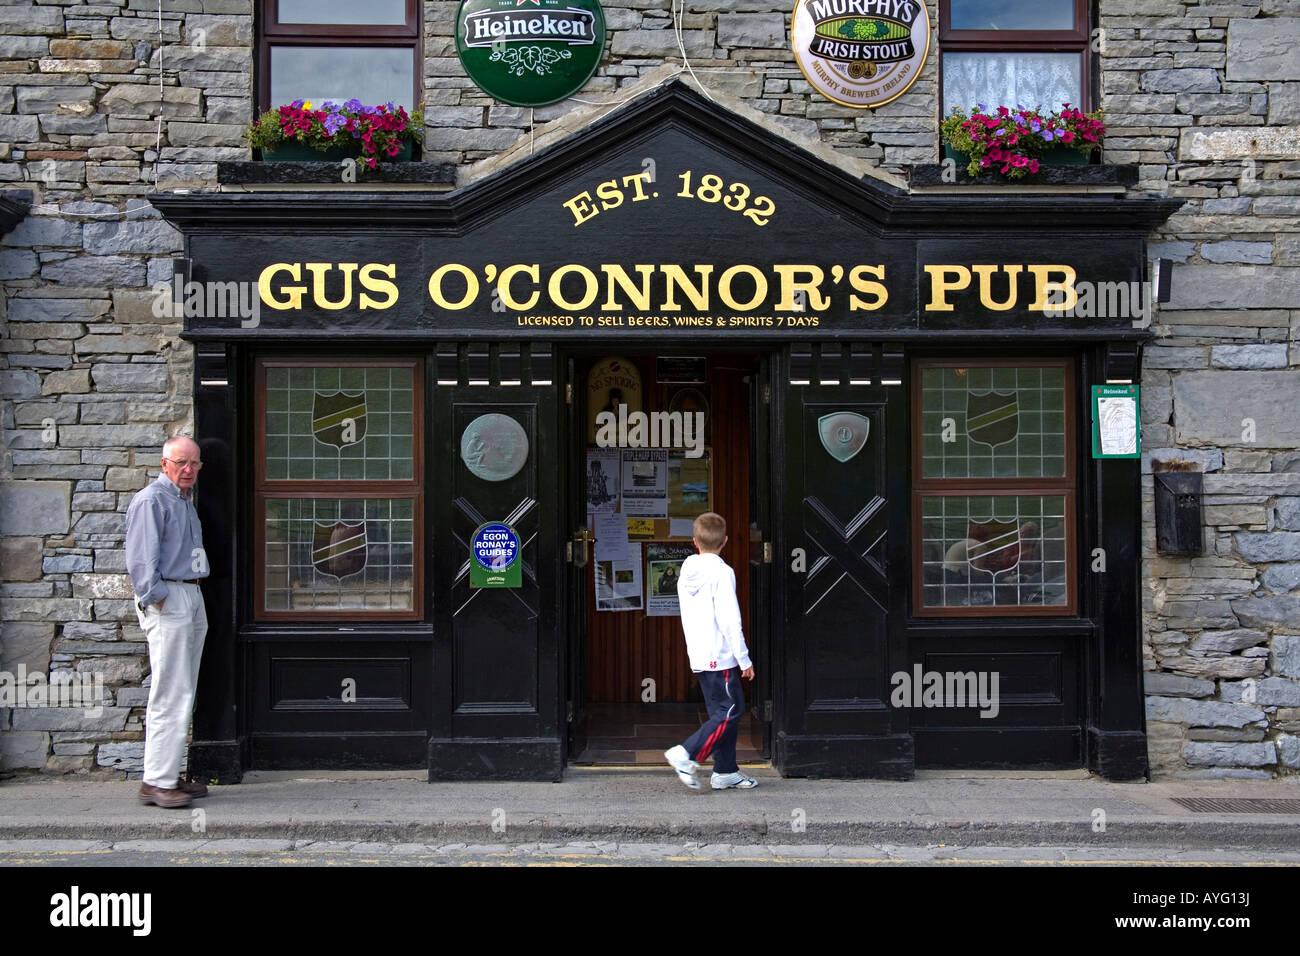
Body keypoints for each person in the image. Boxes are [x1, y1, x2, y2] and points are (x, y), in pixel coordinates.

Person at [125, 435, 210, 809]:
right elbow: (141, 560)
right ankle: (158, 781)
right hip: (170, 597)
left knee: (183, 689)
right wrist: (157, 598)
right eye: (181, 463)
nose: (188, 470)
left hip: (189, 594)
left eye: (194, 463)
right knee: (170, 690)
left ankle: (165, 775)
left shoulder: (184, 502)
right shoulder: (151, 500)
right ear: (164, 464)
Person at [663, 512, 757, 790]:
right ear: (725, 541)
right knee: (732, 710)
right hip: (721, 655)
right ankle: (685, 753)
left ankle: (726, 771)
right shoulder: (722, 573)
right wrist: (744, 658)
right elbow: (730, 620)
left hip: (701, 655)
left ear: (694, 542)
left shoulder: (686, 572)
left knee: (720, 714)